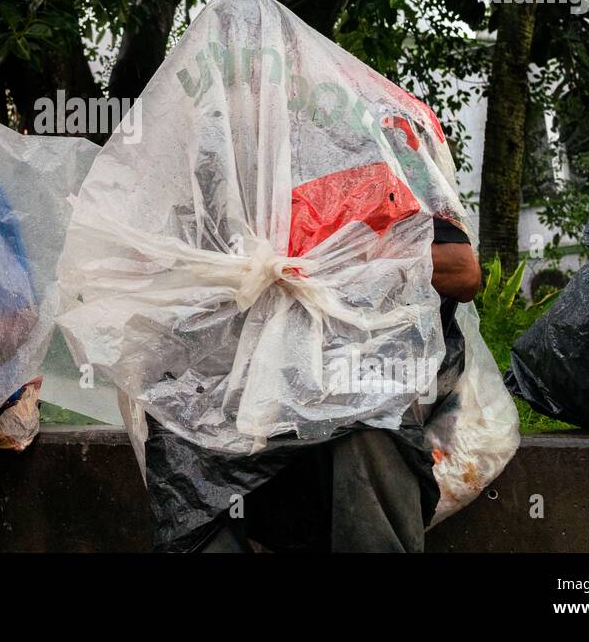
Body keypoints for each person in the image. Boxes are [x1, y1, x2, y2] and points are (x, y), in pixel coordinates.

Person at [154, 214, 482, 553]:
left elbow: (463, 272)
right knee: (178, 421)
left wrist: (328, 260)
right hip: (248, 373)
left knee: (372, 421)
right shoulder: (230, 182)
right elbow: (172, 271)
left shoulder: (393, 173)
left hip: (369, 367)